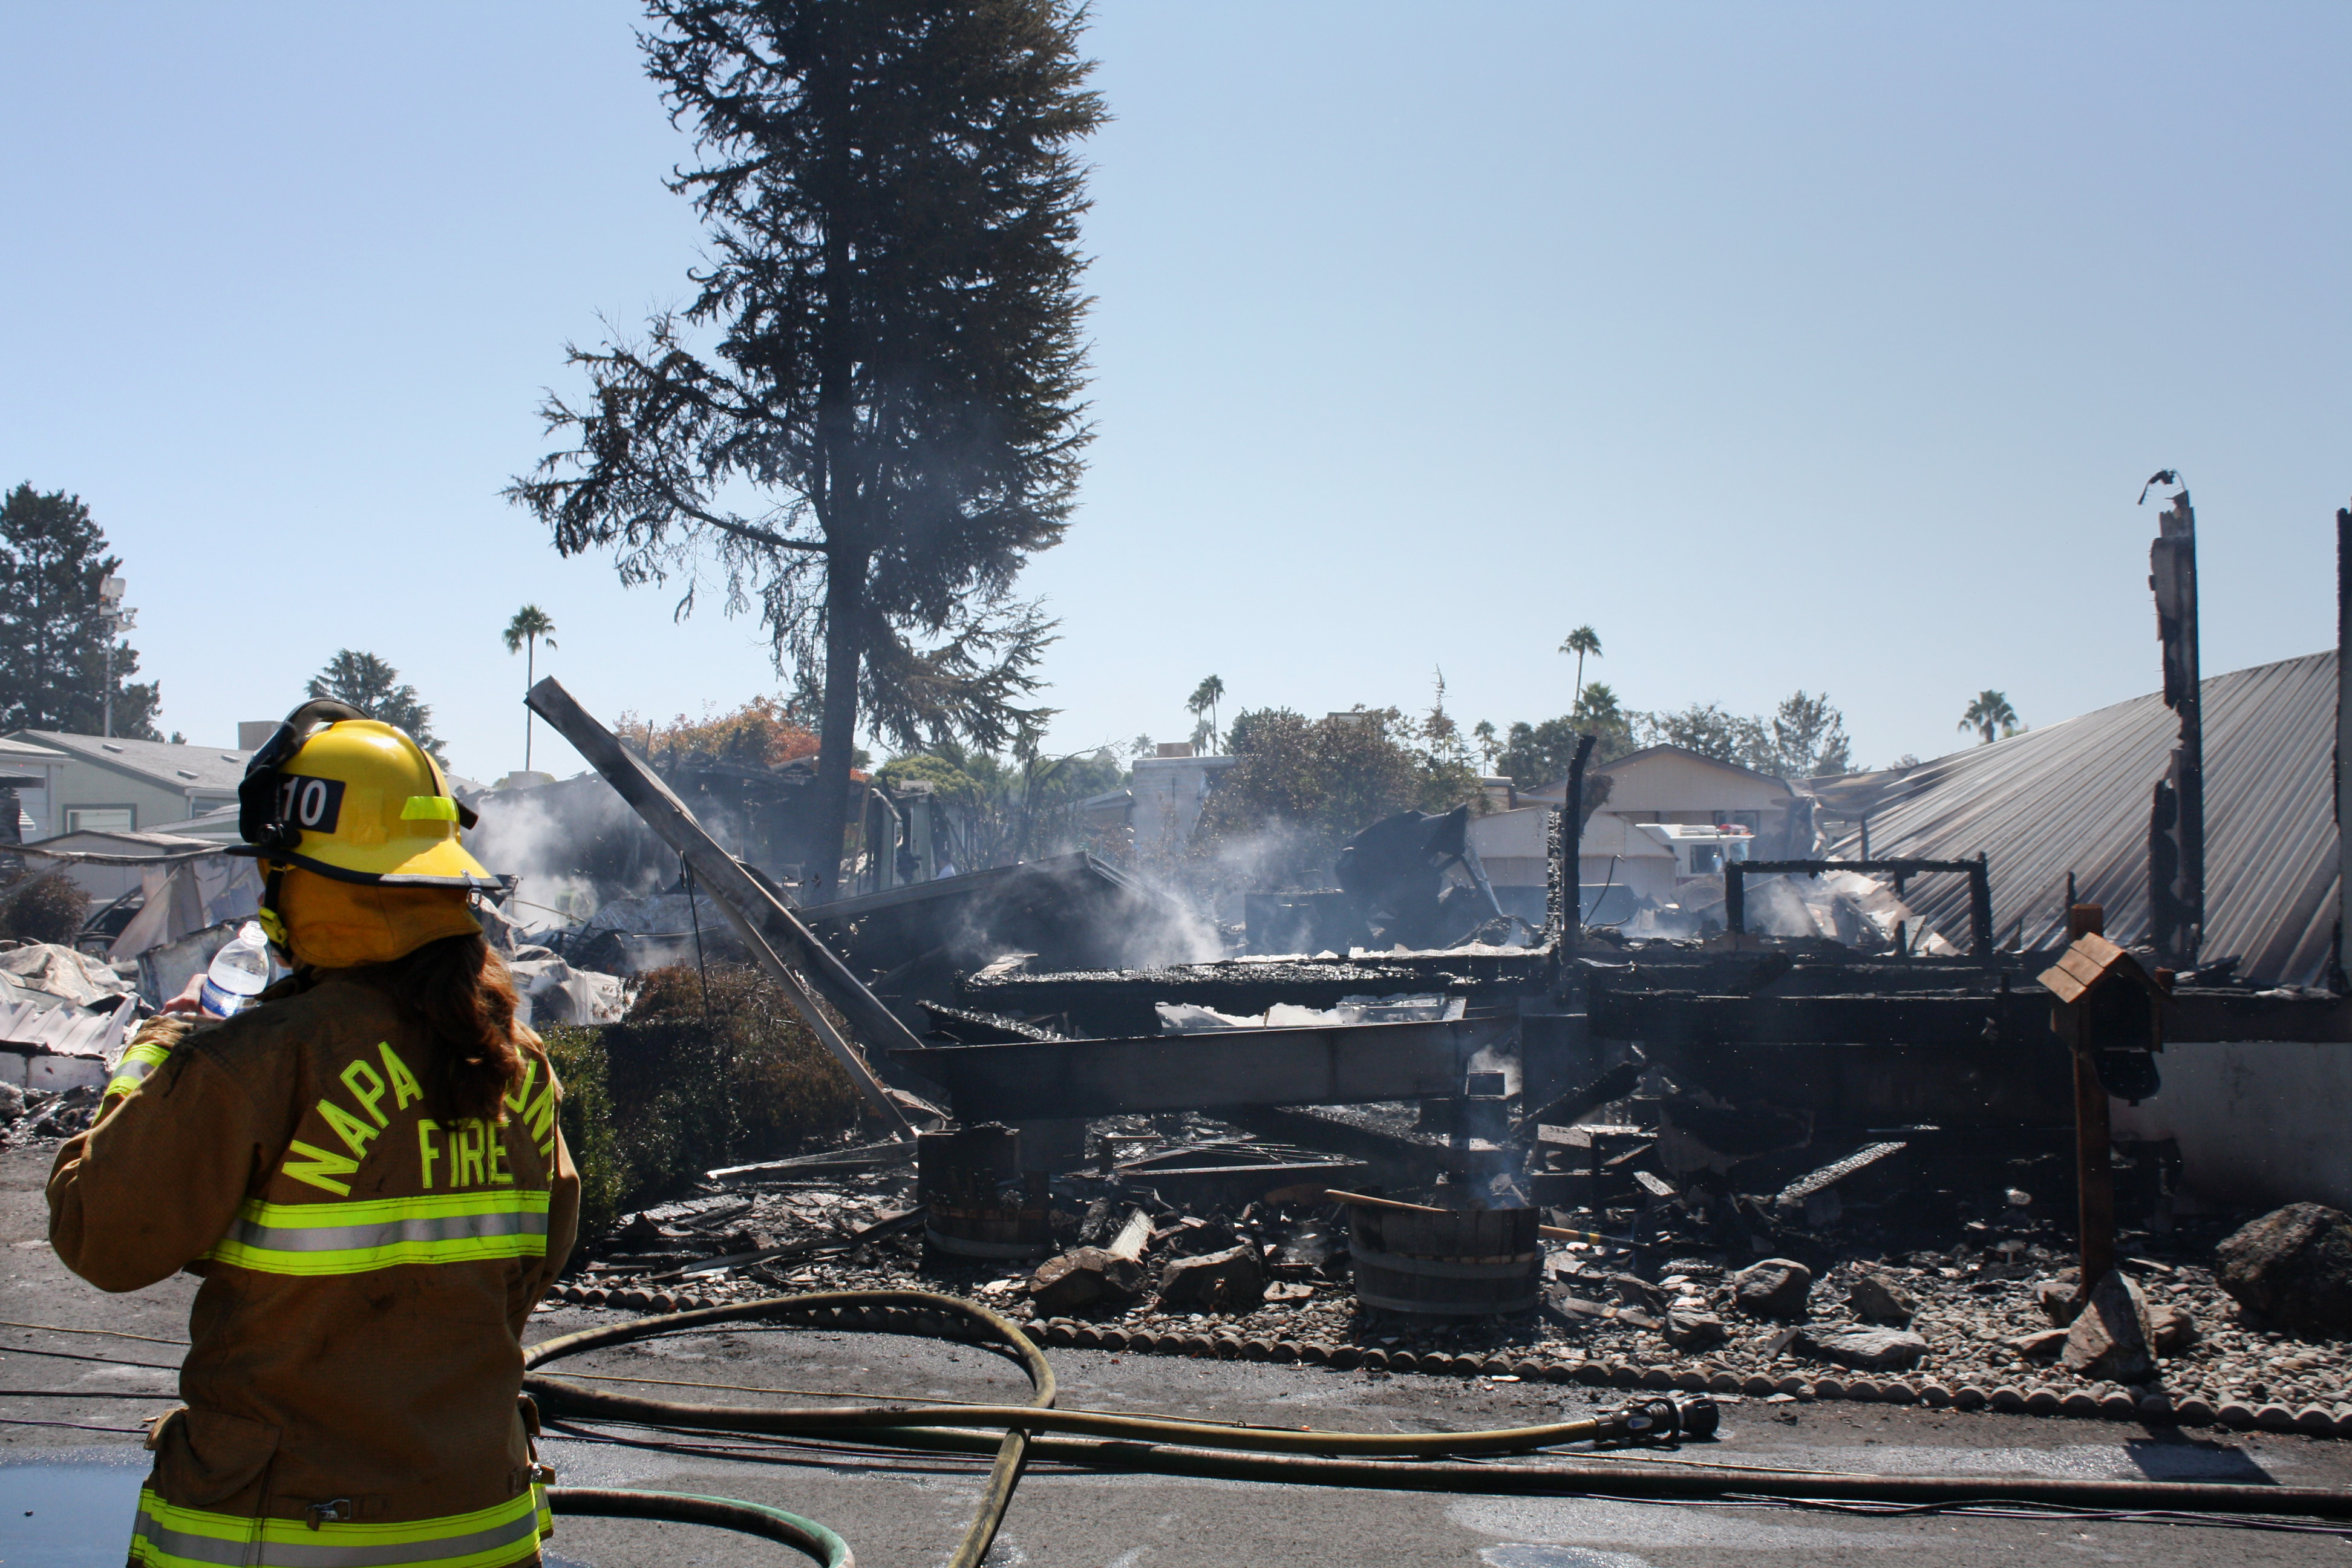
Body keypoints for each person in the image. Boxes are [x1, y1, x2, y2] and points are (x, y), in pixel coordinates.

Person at [48, 701, 580, 1568]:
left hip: (279, 1533)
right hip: (478, 1526)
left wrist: (156, 1054)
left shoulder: (258, 1059)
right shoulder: (514, 1059)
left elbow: (100, 1236)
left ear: (305, 880)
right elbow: (529, 1266)